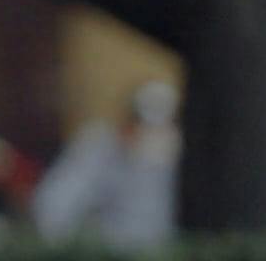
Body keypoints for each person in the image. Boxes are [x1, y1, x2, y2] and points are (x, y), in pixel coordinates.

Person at [32, 81, 177, 247]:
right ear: (127, 122)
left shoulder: (176, 158)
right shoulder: (99, 147)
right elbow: (54, 205)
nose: (151, 136)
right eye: (142, 125)